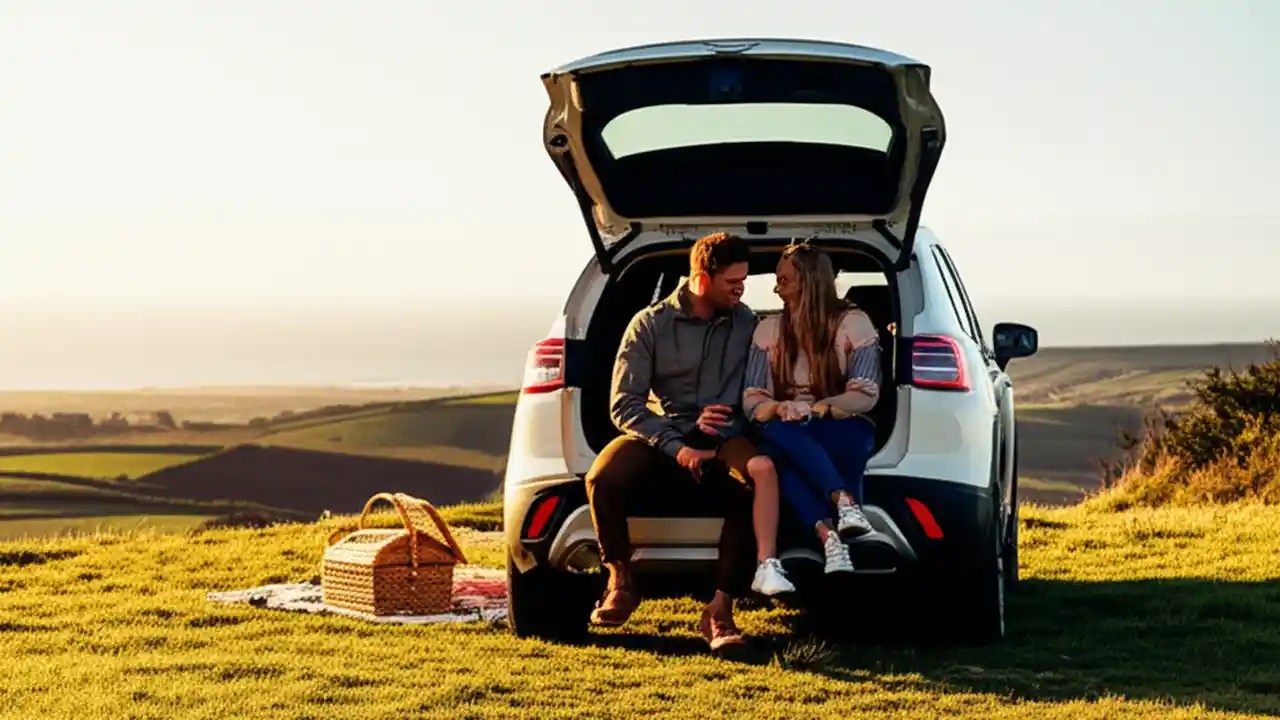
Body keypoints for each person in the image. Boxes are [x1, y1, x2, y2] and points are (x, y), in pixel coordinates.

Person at [584, 231, 787, 653]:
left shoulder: (748, 323)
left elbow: (766, 380)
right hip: (663, 433)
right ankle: (619, 577)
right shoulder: (650, 325)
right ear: (701, 277)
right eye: (733, 282)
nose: (741, 289)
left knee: (755, 485)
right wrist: (678, 444)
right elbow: (625, 405)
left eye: (743, 281)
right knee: (603, 477)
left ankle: (720, 610)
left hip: (727, 434)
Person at [743, 242, 880, 577]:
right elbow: (752, 400)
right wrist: (779, 407)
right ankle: (839, 517)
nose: (777, 288)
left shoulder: (854, 323)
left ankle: (832, 530)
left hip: (842, 423)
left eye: (784, 279)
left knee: (784, 453)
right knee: (777, 439)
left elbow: (866, 394)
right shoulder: (768, 330)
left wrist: (818, 408)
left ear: (807, 278)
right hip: (787, 426)